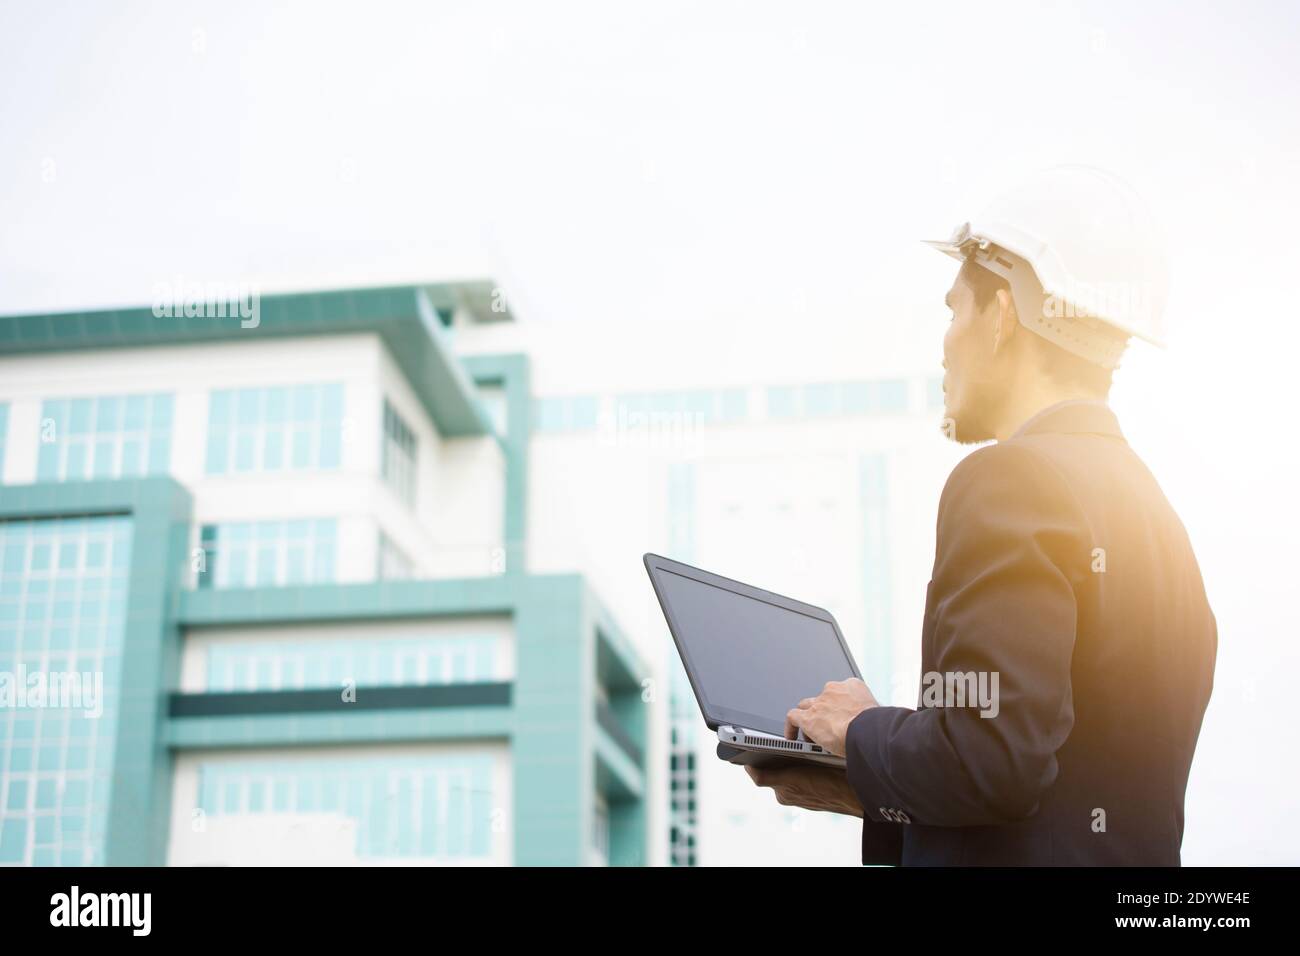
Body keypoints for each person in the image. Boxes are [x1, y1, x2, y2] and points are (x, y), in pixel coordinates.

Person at [746, 167, 1217, 865]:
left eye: (954, 310)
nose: (945, 341)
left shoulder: (1012, 479)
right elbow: (1045, 790)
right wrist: (867, 784)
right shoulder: (1157, 519)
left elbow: (990, 757)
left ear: (1000, 319)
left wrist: (865, 728)